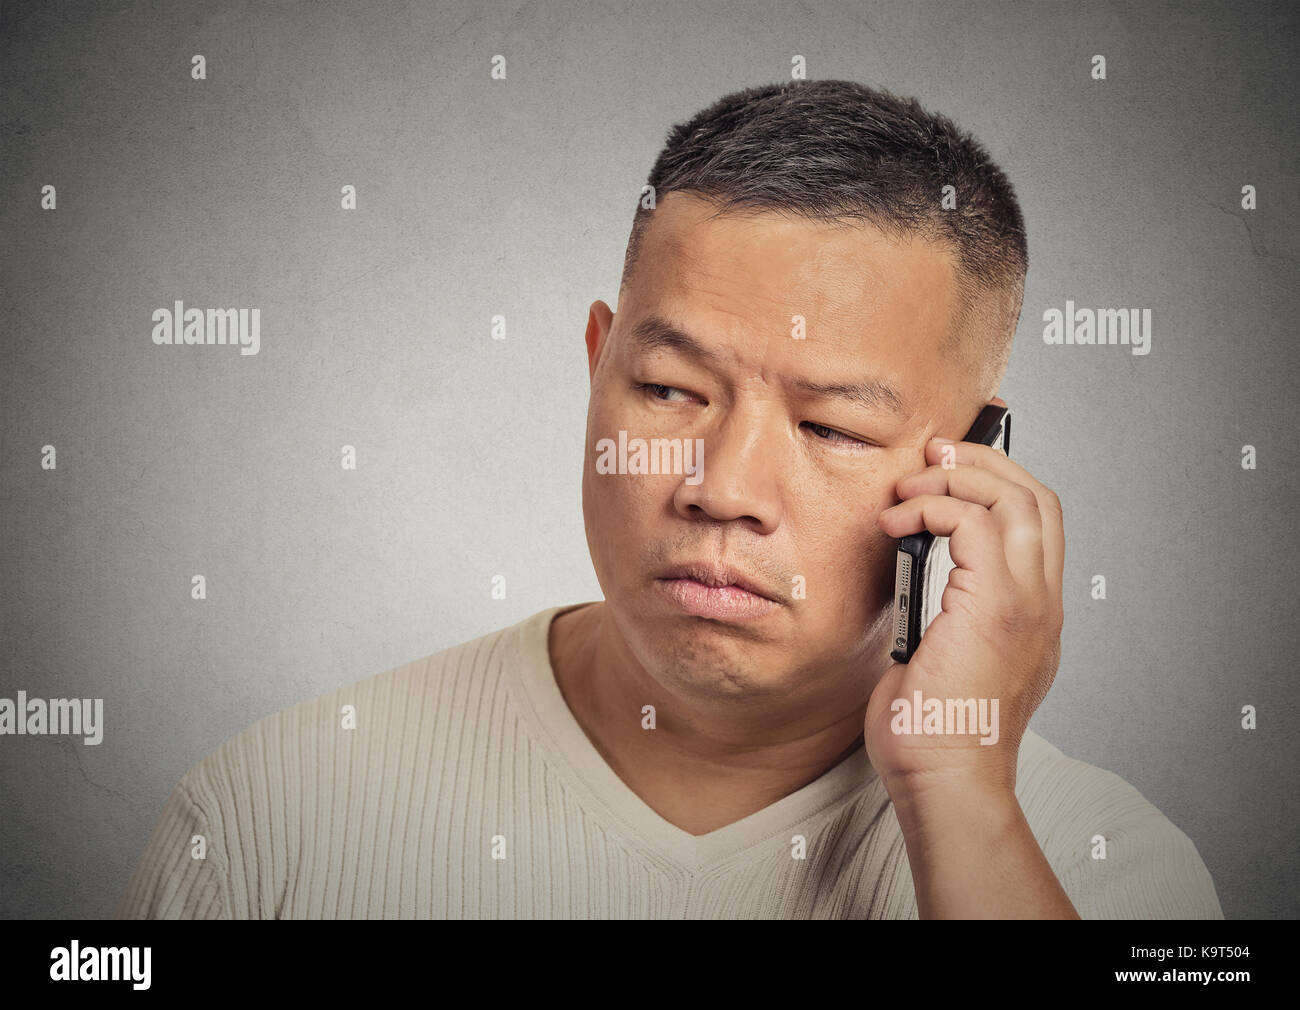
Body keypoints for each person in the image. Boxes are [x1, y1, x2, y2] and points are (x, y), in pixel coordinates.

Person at [116, 79, 1222, 919]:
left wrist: (959, 790)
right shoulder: (270, 817)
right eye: (667, 390)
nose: (722, 490)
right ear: (597, 361)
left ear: (974, 460)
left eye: (831, 426)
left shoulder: (1106, 868)